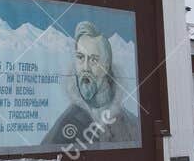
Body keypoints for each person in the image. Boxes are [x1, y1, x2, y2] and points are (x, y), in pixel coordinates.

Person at [42, 20, 139, 149]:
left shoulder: (131, 124)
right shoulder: (65, 126)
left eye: (93, 60)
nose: (85, 68)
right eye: (81, 58)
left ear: (106, 66)